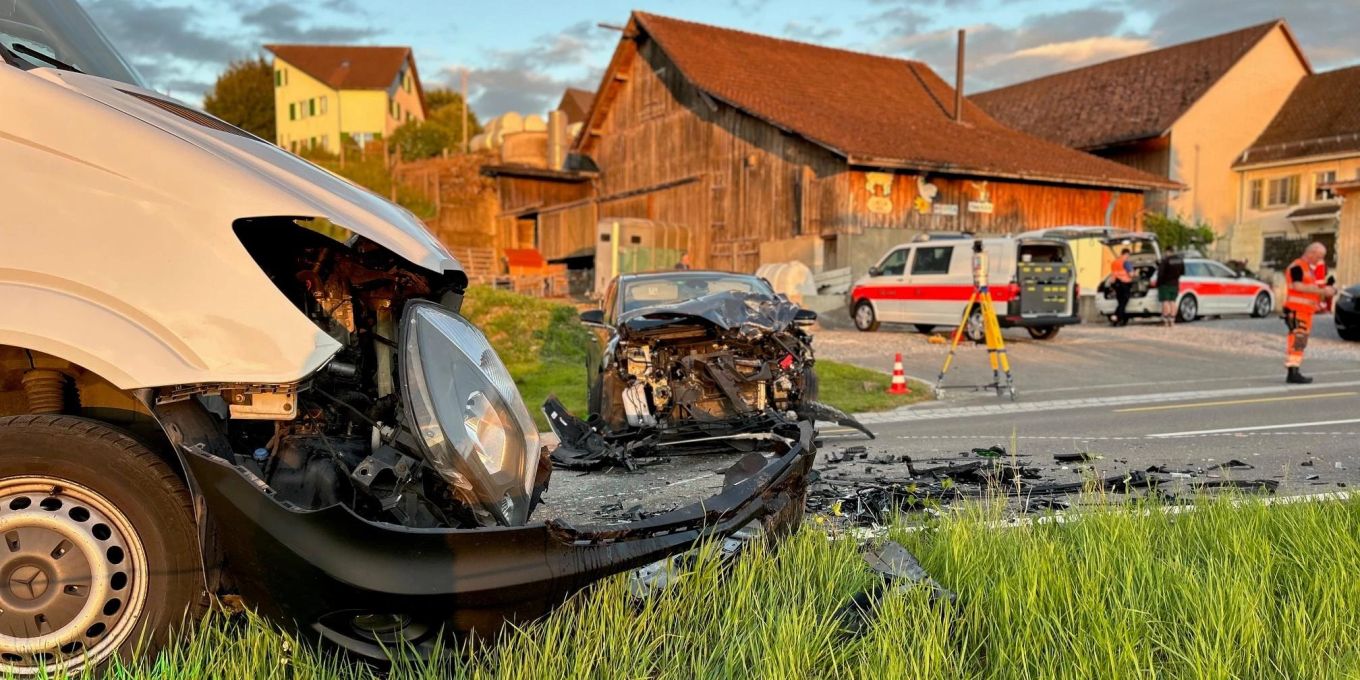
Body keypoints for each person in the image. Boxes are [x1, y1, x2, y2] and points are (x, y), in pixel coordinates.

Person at [1282, 242, 1338, 384]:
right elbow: (1297, 286)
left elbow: (1310, 290)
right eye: (1318, 257)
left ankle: (1294, 371)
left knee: (1299, 342)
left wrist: (1327, 289)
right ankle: (1293, 373)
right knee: (1297, 341)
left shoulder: (1307, 269)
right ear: (1311, 253)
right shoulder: (1297, 266)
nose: (1318, 260)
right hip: (1296, 310)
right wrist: (1322, 291)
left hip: (1304, 311)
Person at [1156, 251, 1185, 326]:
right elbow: (1183, 272)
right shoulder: (1180, 260)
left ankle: (1166, 319)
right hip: (1175, 284)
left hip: (1165, 284)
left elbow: (1160, 274)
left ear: (1168, 251)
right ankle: (1172, 319)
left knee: (1165, 301)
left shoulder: (1165, 261)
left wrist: (1158, 283)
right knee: (1173, 301)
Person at [1109, 248, 1134, 326]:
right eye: (1128, 255)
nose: (1128, 257)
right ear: (1126, 254)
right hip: (1124, 284)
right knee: (1123, 302)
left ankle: (1121, 320)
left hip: (1116, 284)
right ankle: (1116, 316)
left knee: (1120, 302)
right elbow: (1131, 274)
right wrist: (1135, 273)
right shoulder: (1126, 262)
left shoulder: (1115, 262)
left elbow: (1113, 274)